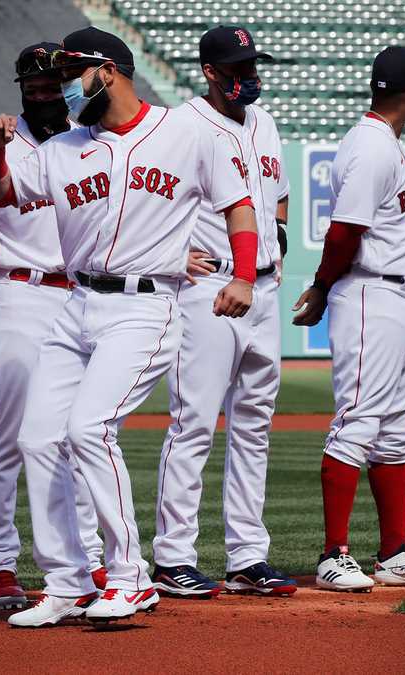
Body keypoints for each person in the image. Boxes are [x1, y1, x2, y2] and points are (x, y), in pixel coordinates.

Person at [0, 27, 257, 627]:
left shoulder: (185, 133)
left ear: (108, 70)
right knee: (36, 438)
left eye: (73, 70)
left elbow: (239, 202)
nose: (63, 84)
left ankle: (130, 578)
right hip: (76, 306)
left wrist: (244, 275)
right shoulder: (62, 149)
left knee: (89, 428)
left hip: (145, 307)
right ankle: (67, 582)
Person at [0, 42, 107, 610]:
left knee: (79, 434)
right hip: (18, 292)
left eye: (51, 85)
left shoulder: (86, 146)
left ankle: (85, 559)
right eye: (31, 88)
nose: (41, 96)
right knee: (8, 432)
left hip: (83, 297)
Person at [293, 46, 405, 592]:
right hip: (372, 293)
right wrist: (321, 285)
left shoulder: (383, 143)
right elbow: (344, 231)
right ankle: (334, 553)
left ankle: (394, 552)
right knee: (359, 419)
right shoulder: (371, 146)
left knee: (394, 430)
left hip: (401, 296)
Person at [151, 25, 296, 599]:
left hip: (263, 289)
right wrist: (170, 252)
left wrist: (278, 235)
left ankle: (247, 556)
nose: (249, 76)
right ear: (210, 71)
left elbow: (277, 191)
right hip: (208, 291)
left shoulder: (264, 121)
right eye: (238, 68)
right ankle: (172, 557)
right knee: (193, 423)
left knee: (255, 427)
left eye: (253, 65)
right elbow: (149, 195)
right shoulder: (181, 125)